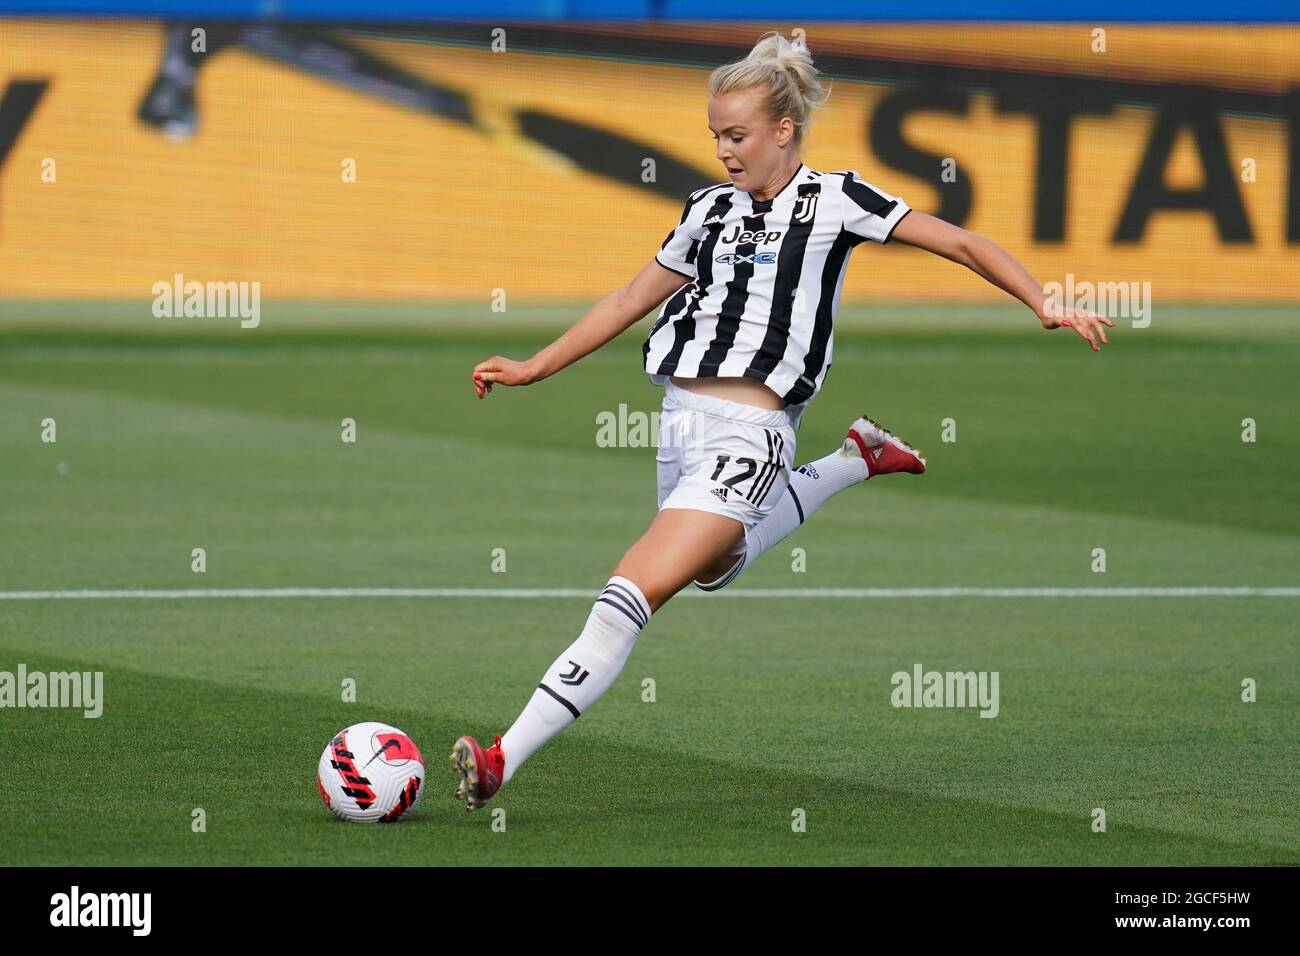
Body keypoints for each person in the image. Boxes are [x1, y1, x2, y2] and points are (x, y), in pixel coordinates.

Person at [450, 31, 1113, 812]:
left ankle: (502, 757)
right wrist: (535, 366)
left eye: (736, 136)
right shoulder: (707, 209)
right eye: (716, 137)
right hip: (678, 423)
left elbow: (960, 240)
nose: (724, 151)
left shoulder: (838, 199)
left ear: (783, 130)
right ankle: (857, 457)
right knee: (711, 568)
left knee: (628, 594)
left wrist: (1042, 299)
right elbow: (631, 300)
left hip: (748, 435)